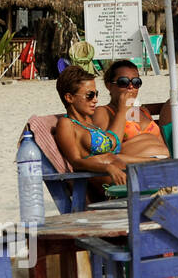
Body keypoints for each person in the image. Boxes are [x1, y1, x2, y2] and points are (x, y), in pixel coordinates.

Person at [53, 65, 132, 194]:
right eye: (89, 95)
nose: (95, 100)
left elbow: (111, 153)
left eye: (96, 94)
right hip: (113, 187)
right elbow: (76, 162)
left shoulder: (88, 122)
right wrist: (108, 168)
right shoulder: (66, 124)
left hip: (125, 176)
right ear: (69, 98)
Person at [95, 60, 170, 161]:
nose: (131, 87)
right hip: (131, 170)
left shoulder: (144, 111)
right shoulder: (102, 112)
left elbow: (161, 144)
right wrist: (122, 111)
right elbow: (106, 150)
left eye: (136, 82)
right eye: (123, 82)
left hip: (159, 166)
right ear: (109, 86)